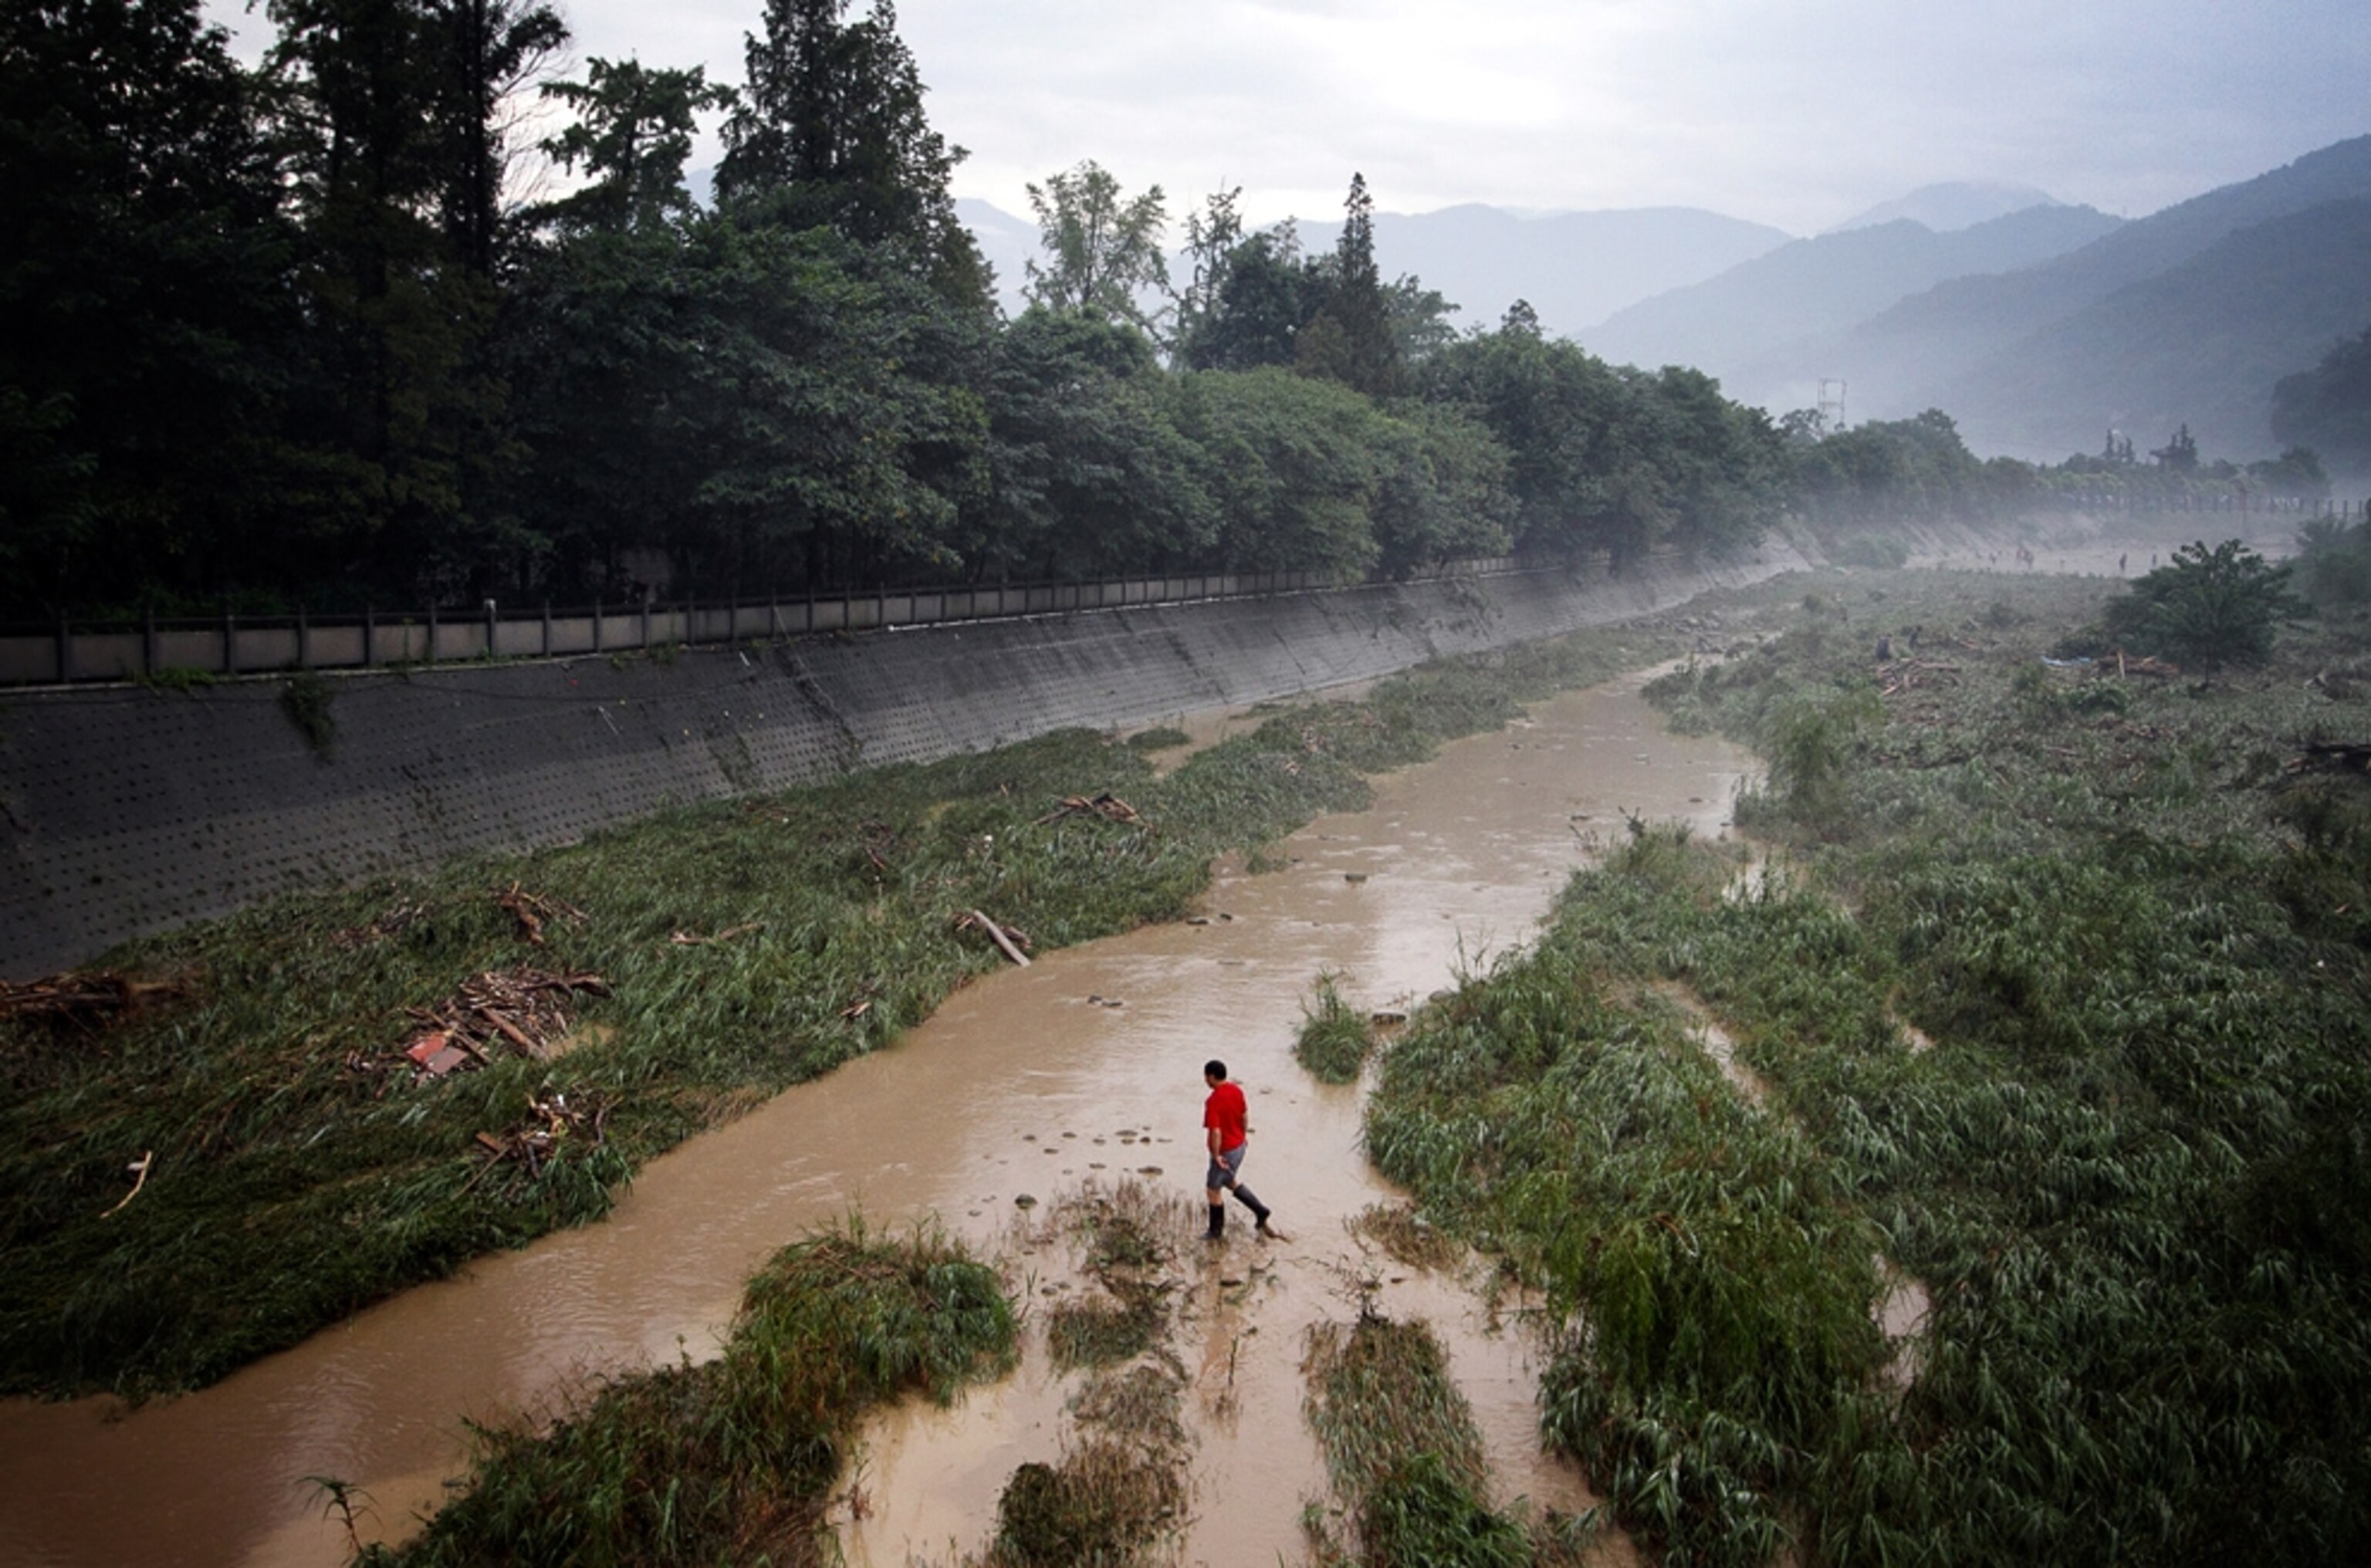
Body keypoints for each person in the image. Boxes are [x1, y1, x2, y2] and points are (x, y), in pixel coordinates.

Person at [1202, 1059, 1272, 1239]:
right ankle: (1261, 1211)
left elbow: (1216, 1132)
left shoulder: (1213, 1100)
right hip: (1239, 1146)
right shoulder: (1236, 1091)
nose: (1205, 1081)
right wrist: (1243, 1137)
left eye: (1206, 1077)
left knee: (1213, 1190)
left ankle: (1215, 1232)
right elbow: (1244, 1116)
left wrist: (1217, 1155)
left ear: (1211, 1076)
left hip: (1225, 1152)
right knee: (1230, 1180)